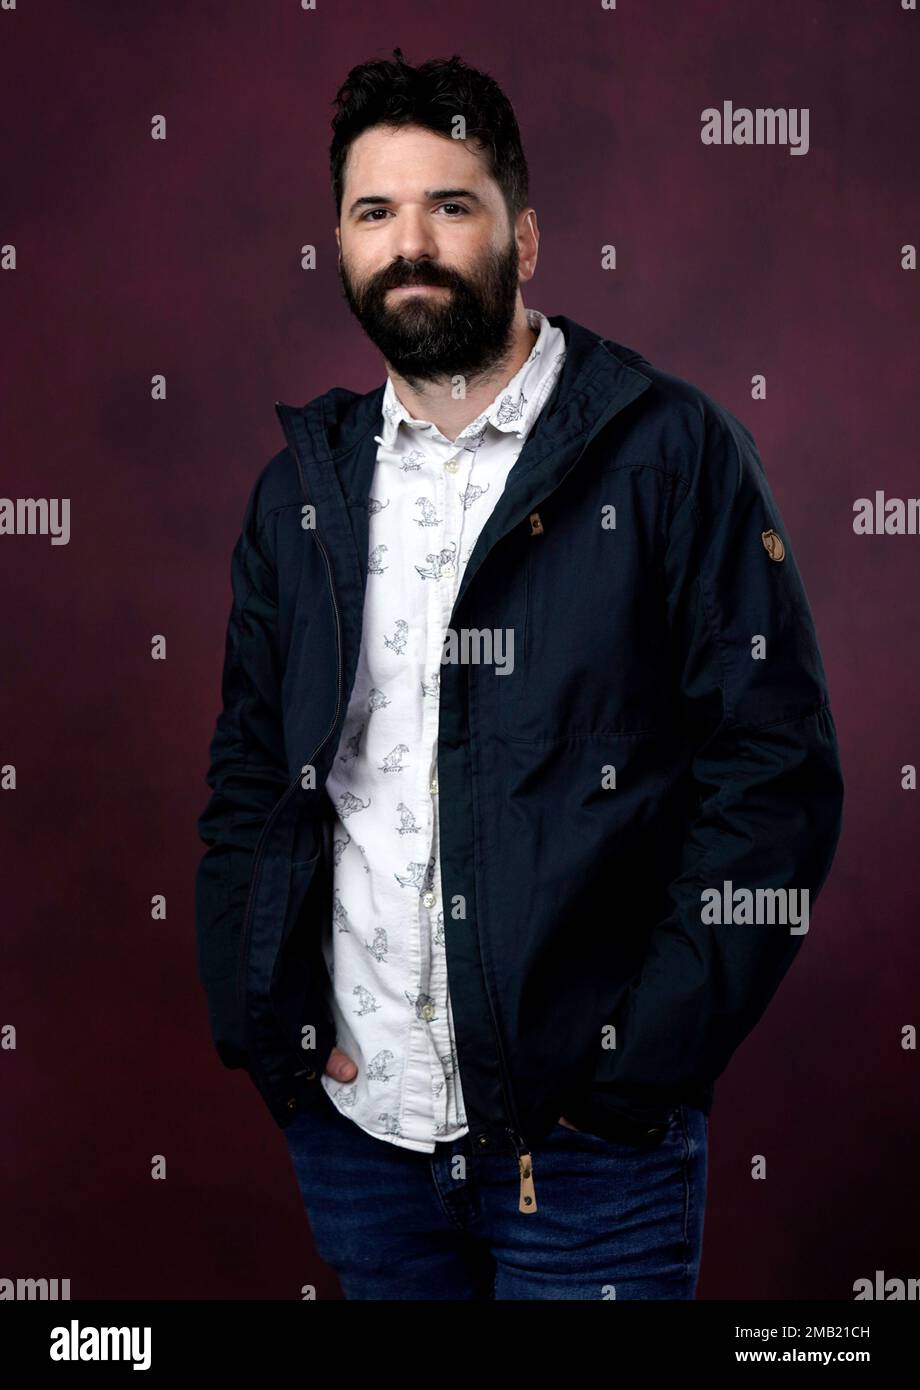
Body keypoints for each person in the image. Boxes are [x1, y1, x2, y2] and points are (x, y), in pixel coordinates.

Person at [194, 50, 844, 1300]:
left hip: (591, 1155)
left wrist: (639, 1056)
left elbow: (775, 773)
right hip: (360, 1137)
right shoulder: (301, 494)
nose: (412, 243)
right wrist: (260, 1011)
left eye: (452, 204)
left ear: (524, 235)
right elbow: (249, 771)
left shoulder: (666, 452)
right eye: (375, 212)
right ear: (337, 242)